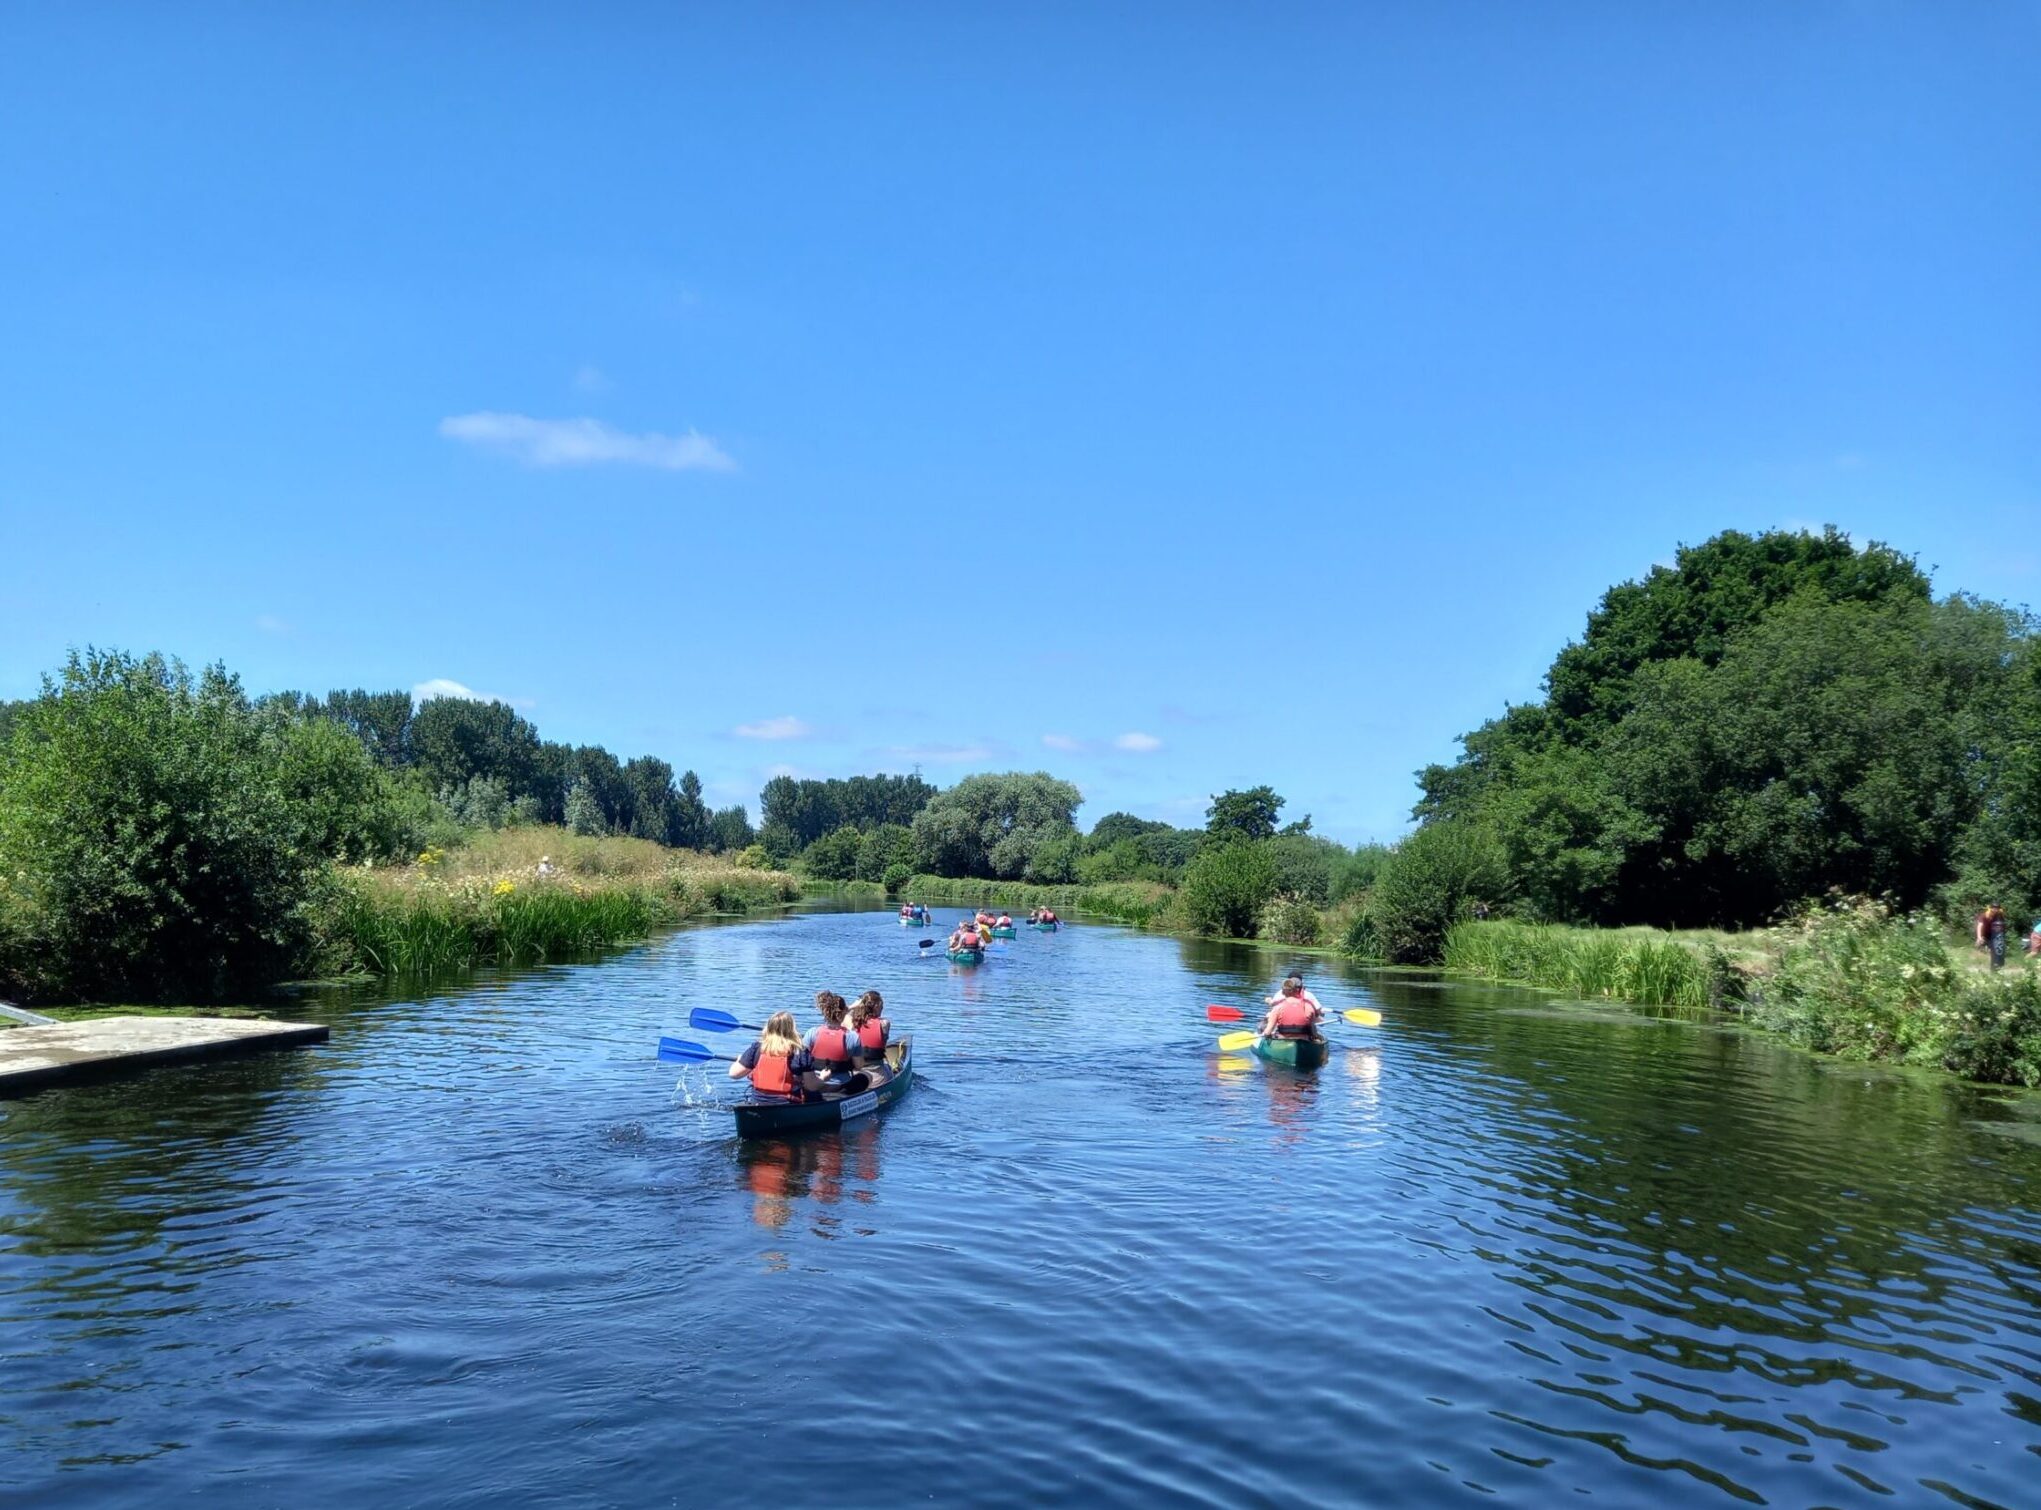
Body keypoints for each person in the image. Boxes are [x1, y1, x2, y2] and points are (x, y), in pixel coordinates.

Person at [727, 1011, 817, 1100]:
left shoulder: (757, 1048)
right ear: (792, 1030)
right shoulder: (800, 1051)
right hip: (787, 1105)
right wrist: (824, 1080)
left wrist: (739, 1061)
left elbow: (733, 1074)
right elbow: (811, 1086)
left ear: (768, 1028)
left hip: (758, 1104)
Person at [805, 992, 860, 1079]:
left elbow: (803, 1060)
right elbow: (859, 1065)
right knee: (864, 1078)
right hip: (841, 1085)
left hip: (815, 1084)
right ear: (844, 1012)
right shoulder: (852, 1037)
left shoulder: (811, 1033)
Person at [1259, 977, 1324, 1043]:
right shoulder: (1308, 1007)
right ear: (1296, 990)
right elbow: (1313, 1031)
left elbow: (1267, 1032)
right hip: (1304, 1042)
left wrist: (1267, 1035)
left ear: (1283, 992)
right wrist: (1317, 1037)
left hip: (1283, 1041)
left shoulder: (1278, 1008)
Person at [848, 990, 893, 1082]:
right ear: (877, 1006)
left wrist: (853, 1006)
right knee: (889, 1067)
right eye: (882, 1005)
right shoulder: (884, 1023)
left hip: (855, 1074)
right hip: (878, 1077)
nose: (883, 1007)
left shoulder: (851, 1023)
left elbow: (839, 1015)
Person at [1978, 903, 2010, 970]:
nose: (1995, 910)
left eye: (1997, 908)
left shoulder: (2000, 914)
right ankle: (1992, 967)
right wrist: (1979, 937)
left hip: (1996, 934)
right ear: (1990, 908)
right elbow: (1979, 926)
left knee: (1998, 949)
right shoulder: (1985, 915)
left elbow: (2003, 925)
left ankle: (1997, 966)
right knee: (1990, 950)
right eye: (1993, 908)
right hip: (1986, 934)